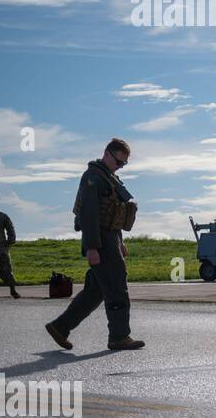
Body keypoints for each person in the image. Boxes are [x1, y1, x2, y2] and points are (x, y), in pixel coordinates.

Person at [45, 138, 145, 351]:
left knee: (96, 290)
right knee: (117, 287)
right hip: (100, 241)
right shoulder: (93, 177)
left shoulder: (110, 178)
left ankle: (60, 327)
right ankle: (119, 336)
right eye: (118, 161)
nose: (120, 166)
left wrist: (120, 242)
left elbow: (113, 214)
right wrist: (92, 248)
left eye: (123, 164)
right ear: (107, 154)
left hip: (111, 239)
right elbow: (88, 215)